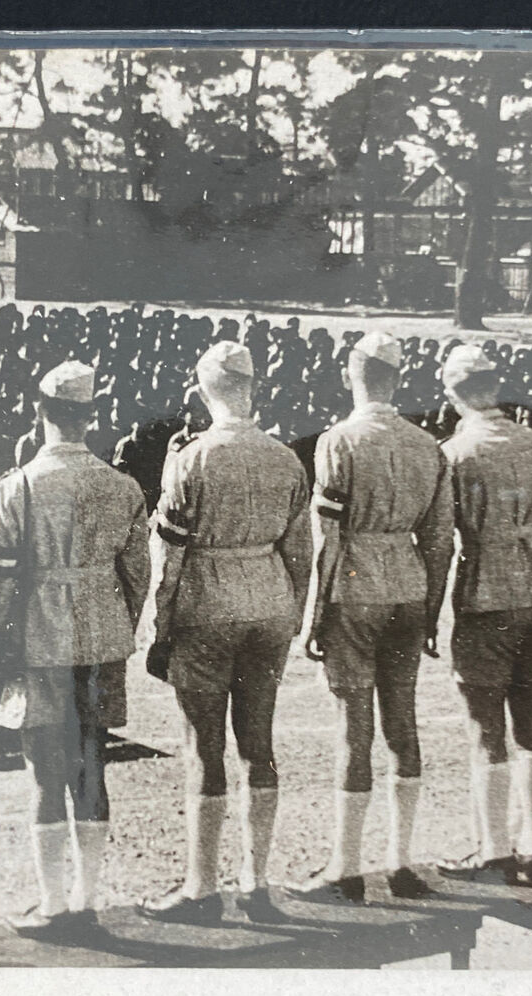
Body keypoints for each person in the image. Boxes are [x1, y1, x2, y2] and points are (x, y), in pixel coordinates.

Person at [140, 340, 312, 923]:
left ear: (201, 391)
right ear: (252, 389)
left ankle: (201, 888)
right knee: (258, 747)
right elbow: (300, 552)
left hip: (207, 606)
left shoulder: (192, 459)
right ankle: (257, 884)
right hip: (269, 604)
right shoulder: (285, 458)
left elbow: (170, 560)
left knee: (204, 750)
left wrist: (160, 630)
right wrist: (292, 613)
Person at [0, 361, 151, 933]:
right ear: (91, 416)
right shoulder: (122, 485)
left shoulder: (16, 488)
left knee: (44, 773)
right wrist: (116, 622)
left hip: (40, 640)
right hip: (102, 638)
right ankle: (88, 896)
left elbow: (0, 583)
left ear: (41, 413)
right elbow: (137, 577)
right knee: (92, 767)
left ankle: (53, 902)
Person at [291, 333, 452, 903]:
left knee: (353, 730)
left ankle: (346, 868)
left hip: (355, 587)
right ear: (397, 380)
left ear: (350, 375)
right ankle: (404, 863)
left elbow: (326, 538)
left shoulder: (339, 440)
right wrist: (431, 611)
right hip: (408, 586)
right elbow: (439, 541)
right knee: (402, 724)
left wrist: (314, 616)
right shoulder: (427, 445)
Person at [433, 345, 532, 883]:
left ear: (453, 394)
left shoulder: (457, 452)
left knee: (485, 726)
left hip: (488, 590)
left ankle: (493, 849)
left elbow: (444, 538)